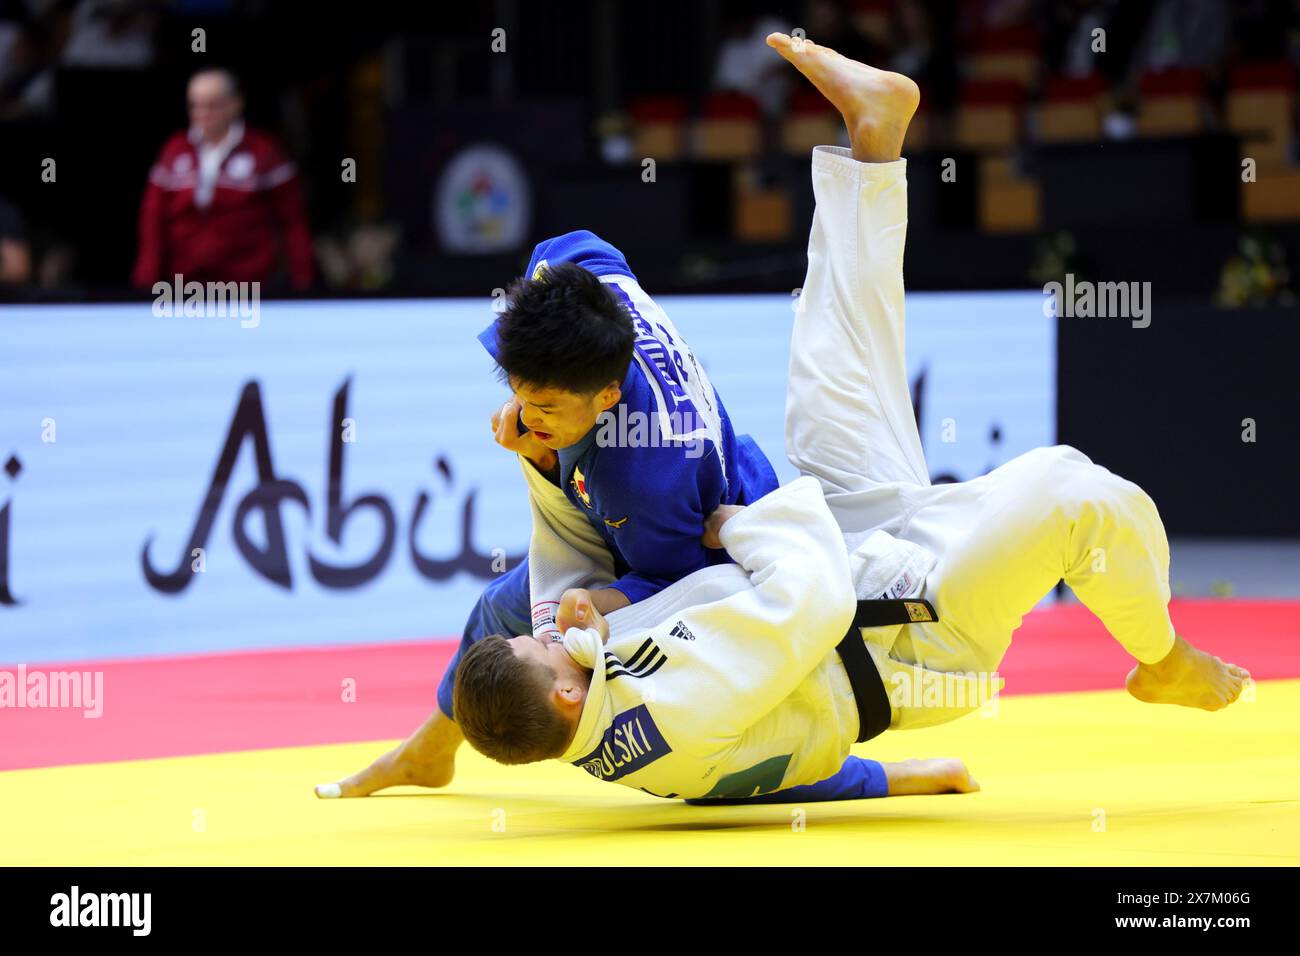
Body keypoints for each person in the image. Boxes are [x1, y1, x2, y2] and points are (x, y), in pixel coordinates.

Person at [317, 33, 1247, 805]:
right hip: (905, 628)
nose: (549, 624)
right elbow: (800, 619)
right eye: (546, 645)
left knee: (835, 334)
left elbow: (552, 584)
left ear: (605, 390)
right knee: (1070, 488)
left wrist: (551, 482)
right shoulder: (654, 697)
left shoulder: (615, 573)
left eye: (541, 401)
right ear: (568, 698)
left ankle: (875, 135)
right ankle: (1163, 655)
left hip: (817, 529)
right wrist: (888, 775)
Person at [131, 68, 314, 291]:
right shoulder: (174, 150)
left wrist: (304, 284)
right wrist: (145, 283)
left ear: (235, 104)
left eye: (212, 105)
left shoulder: (263, 151)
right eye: (196, 105)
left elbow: (292, 222)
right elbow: (152, 222)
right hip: (183, 288)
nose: (203, 113)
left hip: (249, 288)